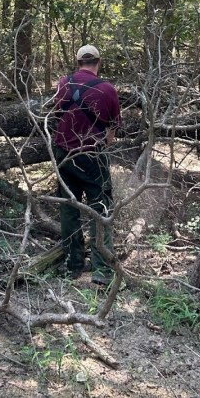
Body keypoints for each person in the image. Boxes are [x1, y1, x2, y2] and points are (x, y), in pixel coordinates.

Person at [52, 44, 122, 286]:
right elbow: (113, 130)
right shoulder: (107, 89)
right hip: (93, 155)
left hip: (63, 155)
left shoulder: (63, 84)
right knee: (100, 210)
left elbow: (54, 116)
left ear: (78, 62)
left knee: (69, 209)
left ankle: (73, 265)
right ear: (98, 62)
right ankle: (102, 270)